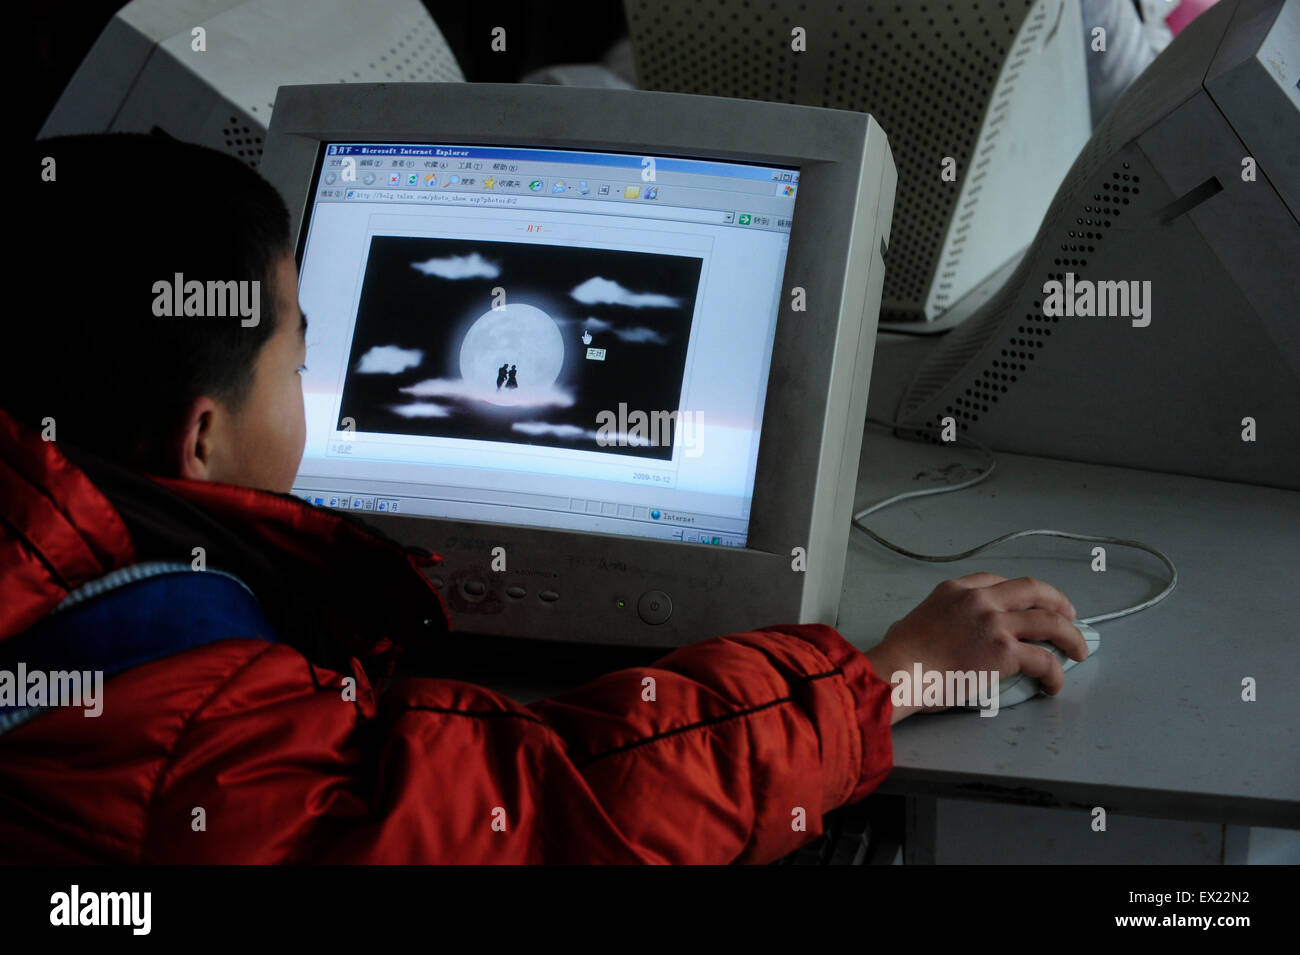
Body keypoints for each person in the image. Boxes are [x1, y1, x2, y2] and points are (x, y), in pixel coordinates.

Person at [0, 133, 1086, 863]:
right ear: (200, 438)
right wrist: (880, 680)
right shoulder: (175, 695)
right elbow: (542, 815)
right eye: (297, 359)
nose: (312, 385)